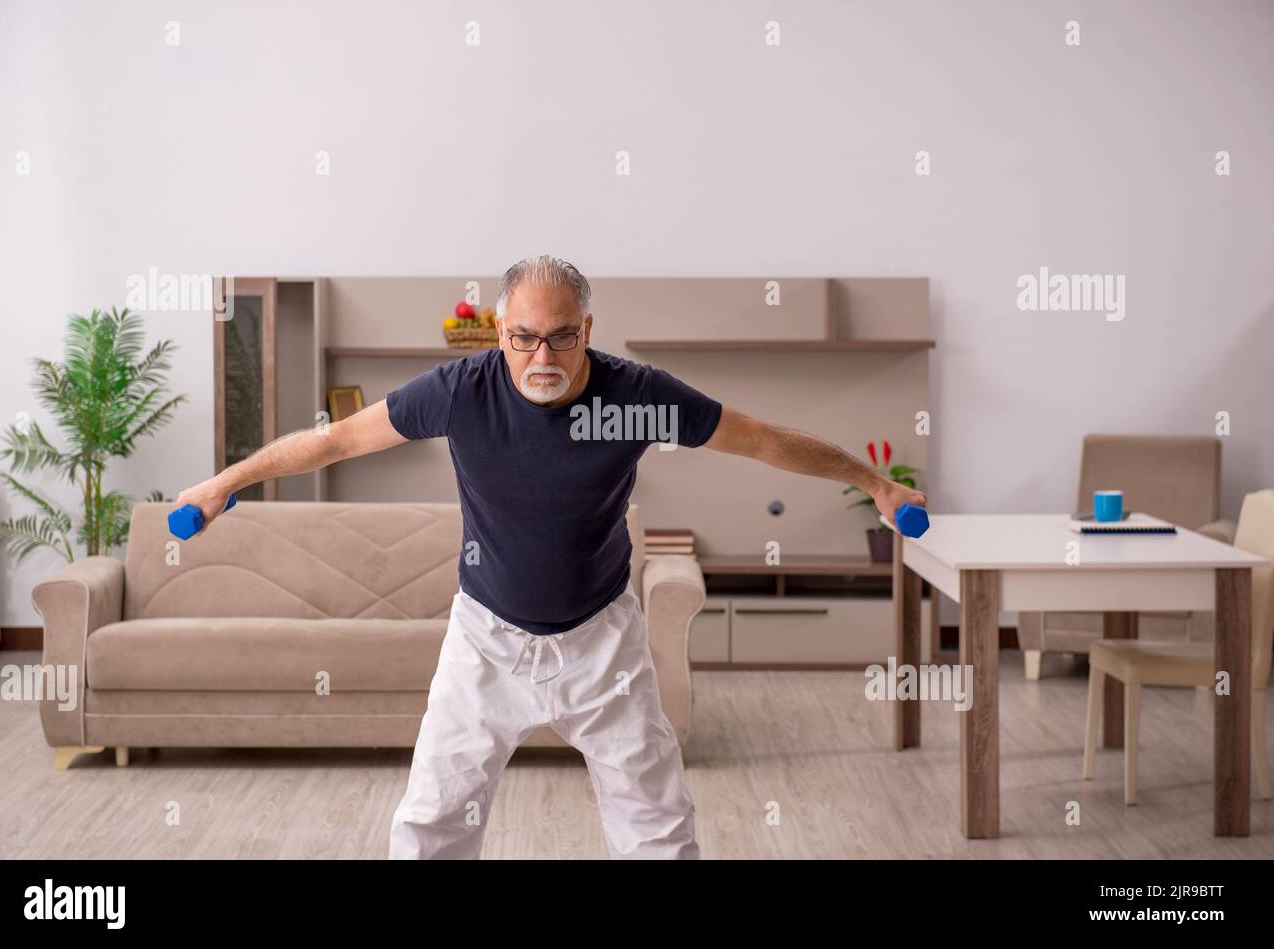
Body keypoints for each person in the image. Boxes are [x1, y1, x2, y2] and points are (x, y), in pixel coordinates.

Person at [174, 255, 927, 859]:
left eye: (561, 336)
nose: (542, 355)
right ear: (498, 330)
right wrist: (222, 483)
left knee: (657, 828)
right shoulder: (459, 392)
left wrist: (873, 482)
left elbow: (761, 438)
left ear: (588, 328)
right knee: (431, 822)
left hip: (601, 641)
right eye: (523, 336)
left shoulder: (638, 397)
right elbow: (332, 441)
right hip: (486, 641)